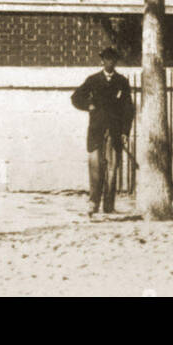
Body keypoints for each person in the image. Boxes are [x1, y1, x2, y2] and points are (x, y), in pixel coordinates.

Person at [70, 46, 135, 217]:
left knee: (112, 168)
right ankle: (93, 203)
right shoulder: (93, 80)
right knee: (95, 167)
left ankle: (109, 205)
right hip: (96, 130)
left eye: (112, 59)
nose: (109, 62)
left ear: (116, 62)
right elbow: (75, 97)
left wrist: (125, 132)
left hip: (115, 130)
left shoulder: (122, 82)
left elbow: (128, 108)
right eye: (106, 59)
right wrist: (89, 106)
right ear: (102, 61)